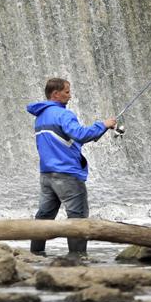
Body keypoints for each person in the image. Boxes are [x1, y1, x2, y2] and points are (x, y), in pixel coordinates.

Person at [25, 77, 114, 257]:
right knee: (77, 219)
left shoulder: (41, 116)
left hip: (47, 175)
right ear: (56, 94)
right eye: (67, 92)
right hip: (67, 174)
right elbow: (80, 134)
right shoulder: (63, 114)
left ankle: (34, 255)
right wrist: (103, 125)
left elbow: (65, 140)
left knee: (44, 217)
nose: (70, 96)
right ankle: (78, 258)